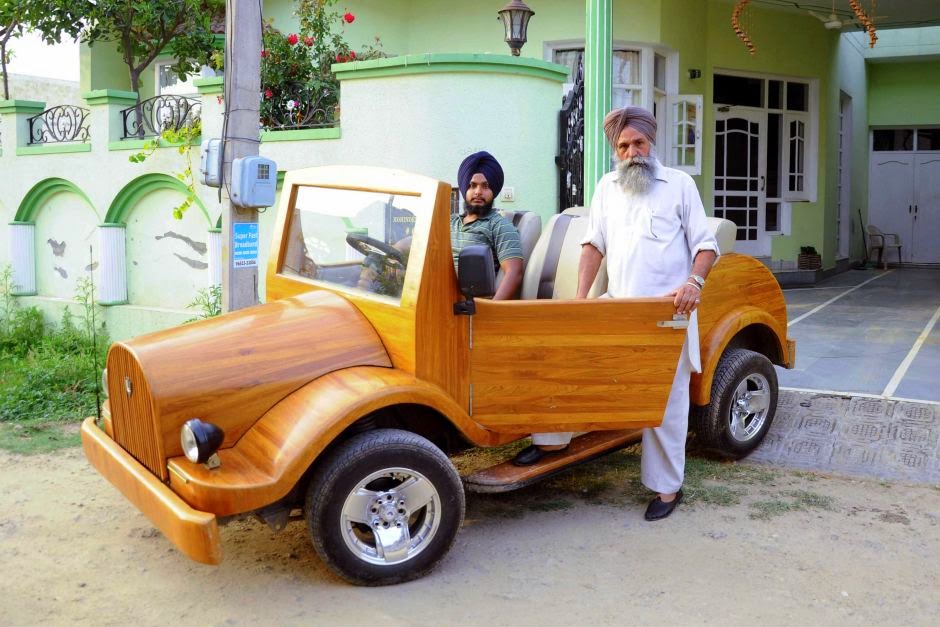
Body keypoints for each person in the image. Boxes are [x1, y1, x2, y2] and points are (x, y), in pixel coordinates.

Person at [513, 106, 718, 522]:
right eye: (622, 146)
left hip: (667, 313)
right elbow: (593, 245)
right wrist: (581, 299)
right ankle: (551, 440)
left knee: (668, 401)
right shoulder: (607, 186)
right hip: (618, 306)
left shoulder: (679, 185)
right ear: (615, 149)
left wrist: (693, 283)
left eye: (638, 143)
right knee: (564, 360)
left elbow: (706, 246)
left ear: (651, 141)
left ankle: (666, 488)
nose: (631, 152)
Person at [451, 151, 523, 300]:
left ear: (493, 191)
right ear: (465, 189)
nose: (478, 192)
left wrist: (490, 312)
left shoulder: (499, 226)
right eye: (472, 186)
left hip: (469, 310)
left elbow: (514, 273)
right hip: (437, 298)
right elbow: (418, 242)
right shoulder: (449, 222)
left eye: (485, 186)